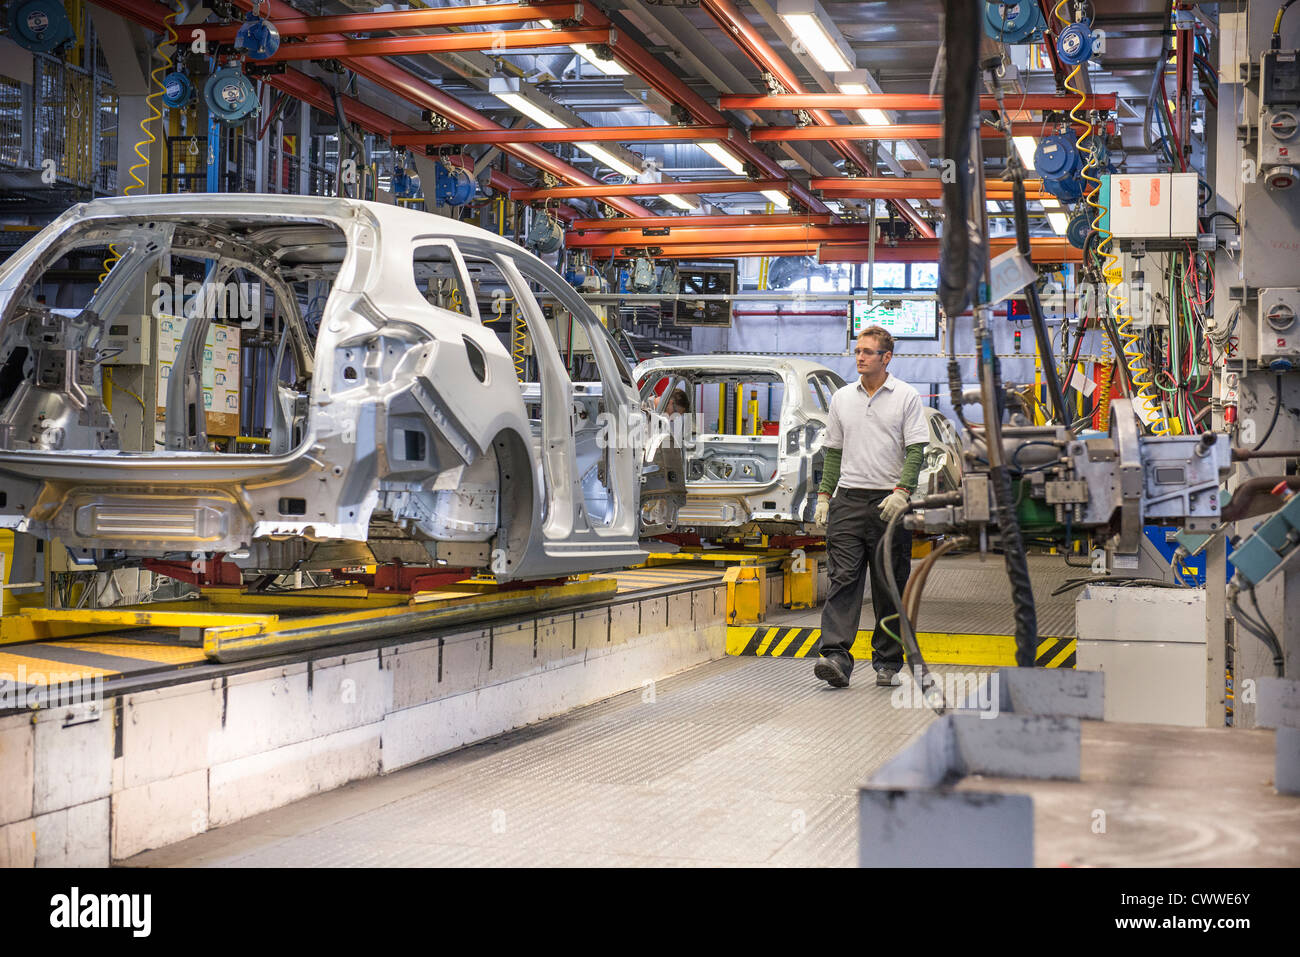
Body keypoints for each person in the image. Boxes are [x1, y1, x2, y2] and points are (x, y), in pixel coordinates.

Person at [812, 325, 928, 689]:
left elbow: (916, 450)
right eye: (858, 350)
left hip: (889, 504)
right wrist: (823, 496)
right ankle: (835, 657)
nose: (859, 356)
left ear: (886, 357)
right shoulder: (842, 398)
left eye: (867, 351)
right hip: (848, 500)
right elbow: (833, 452)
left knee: (887, 584)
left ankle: (888, 663)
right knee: (842, 579)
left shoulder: (906, 396)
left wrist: (903, 490)